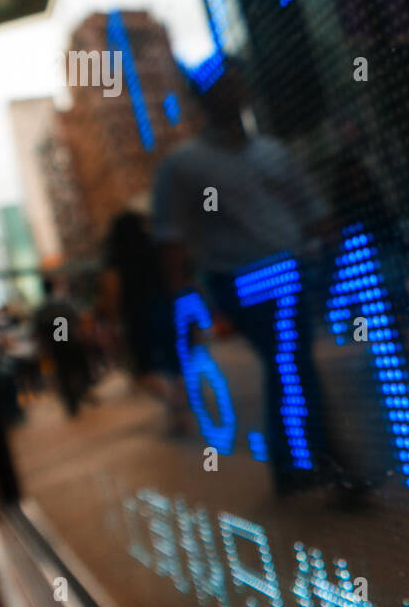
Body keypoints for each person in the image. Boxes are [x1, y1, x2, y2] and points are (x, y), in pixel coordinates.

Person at [151, 60, 363, 501]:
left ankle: (297, 466)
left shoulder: (273, 152)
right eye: (220, 86)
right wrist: (184, 302)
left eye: (236, 83)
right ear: (203, 98)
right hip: (240, 280)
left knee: (287, 365)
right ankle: (324, 460)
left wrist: (342, 258)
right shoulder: (184, 165)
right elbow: (170, 239)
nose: (231, 93)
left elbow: (314, 211)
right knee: (291, 361)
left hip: (292, 271)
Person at [101, 210, 190, 435]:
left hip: (137, 316)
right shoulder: (154, 246)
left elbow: (113, 288)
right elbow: (174, 274)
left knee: (142, 371)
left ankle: (172, 402)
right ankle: (178, 408)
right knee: (174, 363)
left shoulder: (116, 255)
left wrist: (114, 321)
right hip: (165, 308)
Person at [34, 276, 93, 417]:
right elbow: (77, 320)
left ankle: (71, 403)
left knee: (63, 374)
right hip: (70, 342)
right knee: (76, 368)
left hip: (55, 346)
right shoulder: (63, 303)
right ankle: (81, 392)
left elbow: (39, 332)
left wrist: (43, 349)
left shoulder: (41, 309)